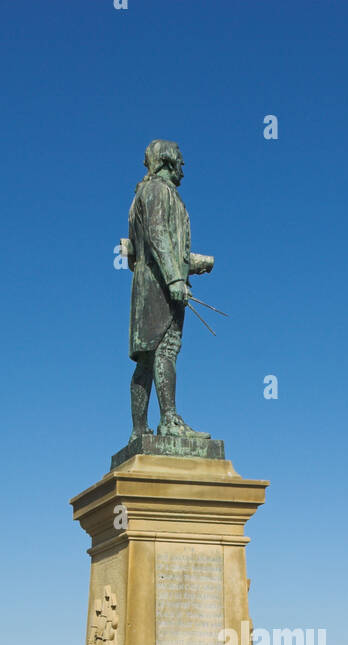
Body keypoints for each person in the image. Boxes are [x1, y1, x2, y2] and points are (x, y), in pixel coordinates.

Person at [124, 140, 215, 446]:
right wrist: (176, 279)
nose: (183, 171)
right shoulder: (157, 191)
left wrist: (196, 264)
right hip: (158, 285)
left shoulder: (146, 193)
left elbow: (143, 249)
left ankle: (140, 430)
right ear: (167, 161)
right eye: (181, 163)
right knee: (164, 349)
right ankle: (169, 421)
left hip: (151, 281)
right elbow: (157, 234)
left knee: (148, 358)